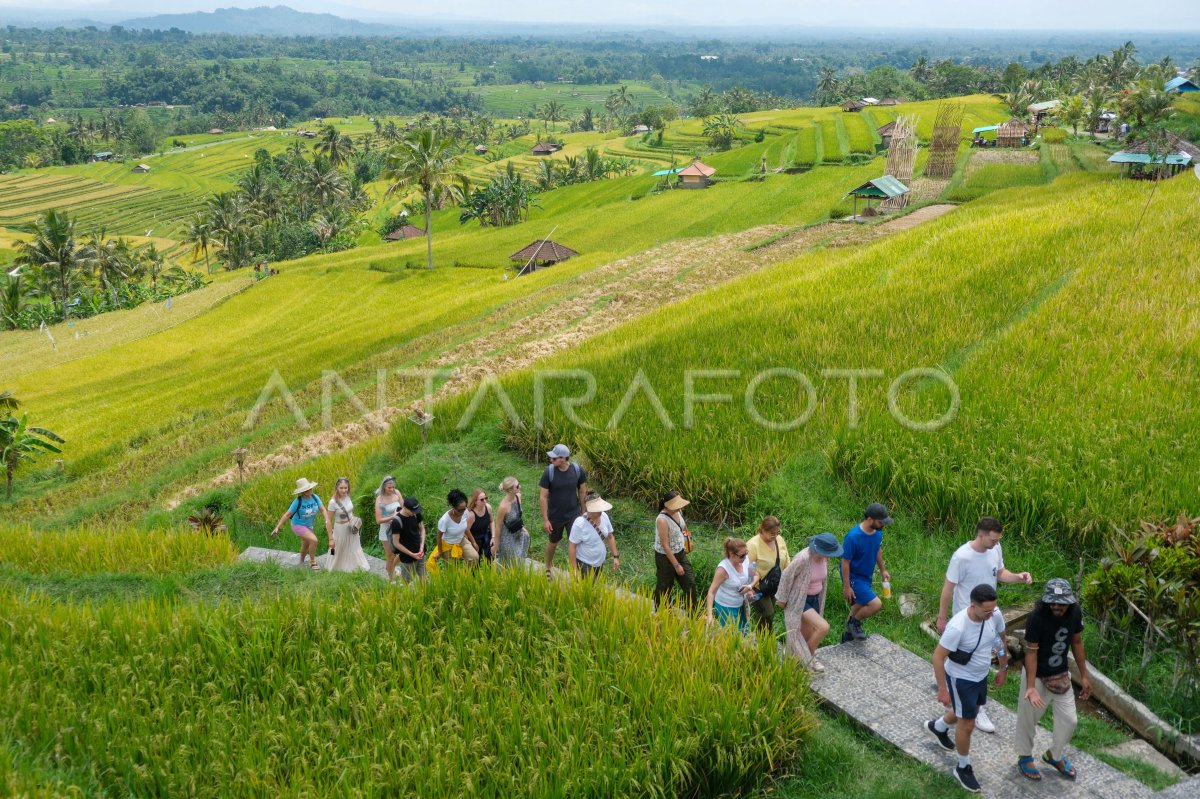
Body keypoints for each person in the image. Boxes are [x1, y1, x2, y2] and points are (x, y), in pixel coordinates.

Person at [936, 516, 1032, 734]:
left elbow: (1000, 574)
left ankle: (965, 701)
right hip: (966, 617)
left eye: (998, 540)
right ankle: (972, 708)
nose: (996, 544)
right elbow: (948, 589)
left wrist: (1018, 576)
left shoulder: (995, 550)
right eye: (993, 540)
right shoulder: (961, 556)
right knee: (968, 659)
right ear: (981, 535)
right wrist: (942, 617)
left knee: (988, 651)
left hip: (989, 614)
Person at [927, 584, 1008, 794]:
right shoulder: (957, 627)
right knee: (968, 723)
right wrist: (943, 690)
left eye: (994, 610)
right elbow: (937, 657)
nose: (992, 615)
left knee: (969, 709)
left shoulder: (993, 615)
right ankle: (963, 767)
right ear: (973, 605)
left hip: (980, 676)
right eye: (987, 611)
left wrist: (1003, 667)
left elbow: (998, 640)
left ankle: (939, 726)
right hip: (960, 678)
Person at [1015, 579, 1093, 782]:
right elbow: (1031, 651)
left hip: (1061, 674)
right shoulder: (1037, 617)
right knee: (1028, 718)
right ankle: (1024, 757)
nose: (1057, 606)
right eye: (1053, 602)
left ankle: (1053, 755)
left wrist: (1084, 676)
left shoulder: (1075, 612)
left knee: (1070, 720)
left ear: (1069, 602)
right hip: (1037, 675)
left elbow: (1076, 642)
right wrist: (1031, 687)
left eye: (1062, 603)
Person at [775, 532, 843, 673]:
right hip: (800, 600)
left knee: (807, 634)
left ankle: (794, 658)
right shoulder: (803, 558)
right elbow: (787, 576)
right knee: (823, 627)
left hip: (815, 598)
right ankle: (809, 657)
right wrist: (781, 599)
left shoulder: (825, 558)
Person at [840, 502, 892, 642]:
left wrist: (883, 570)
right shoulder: (853, 537)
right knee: (875, 604)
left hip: (866, 576)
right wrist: (847, 587)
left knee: (860, 604)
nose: (883, 525)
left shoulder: (878, 533)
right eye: (881, 522)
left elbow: (878, 552)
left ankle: (848, 636)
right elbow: (845, 562)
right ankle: (854, 624)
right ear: (870, 519)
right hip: (853, 577)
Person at [539, 443, 588, 578]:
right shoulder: (548, 472)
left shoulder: (577, 470)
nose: (551, 460)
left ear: (563, 458)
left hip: (573, 514)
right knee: (553, 543)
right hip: (555, 516)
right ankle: (547, 567)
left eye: (554, 458)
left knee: (576, 544)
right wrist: (546, 520)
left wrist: (583, 513)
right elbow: (543, 497)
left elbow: (583, 491)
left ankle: (576, 572)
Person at [745, 516, 791, 633]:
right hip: (758, 587)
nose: (775, 536)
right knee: (767, 613)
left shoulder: (779, 539)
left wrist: (789, 578)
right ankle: (764, 639)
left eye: (777, 532)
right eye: (771, 533)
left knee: (769, 614)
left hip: (775, 584)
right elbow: (749, 568)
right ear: (763, 530)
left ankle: (764, 636)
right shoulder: (753, 545)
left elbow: (786, 559)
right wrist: (750, 588)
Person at [653, 491, 696, 612]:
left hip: (680, 552)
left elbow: (684, 527)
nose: (680, 507)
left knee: (690, 582)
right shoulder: (662, 520)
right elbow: (665, 546)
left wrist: (689, 539)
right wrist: (676, 565)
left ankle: (693, 613)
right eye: (677, 505)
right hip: (664, 557)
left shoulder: (679, 512)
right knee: (665, 586)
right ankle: (662, 613)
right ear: (667, 506)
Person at [705, 537, 759, 631]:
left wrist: (750, 587)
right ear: (731, 554)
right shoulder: (723, 569)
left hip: (741, 605)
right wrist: (709, 615)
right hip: (725, 606)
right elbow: (711, 592)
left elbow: (756, 575)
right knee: (731, 636)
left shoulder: (745, 560)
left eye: (746, 553)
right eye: (742, 555)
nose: (745, 557)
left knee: (743, 632)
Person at [318, 477, 370, 573]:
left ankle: (355, 565)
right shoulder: (333, 502)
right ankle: (338, 567)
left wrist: (354, 522)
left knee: (353, 546)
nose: (343, 490)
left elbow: (350, 511)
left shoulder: (348, 497)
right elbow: (328, 521)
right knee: (340, 548)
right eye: (341, 488)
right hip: (340, 529)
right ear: (337, 488)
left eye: (345, 488)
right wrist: (330, 538)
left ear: (348, 488)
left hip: (351, 527)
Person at [271, 477, 325, 570]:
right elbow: (287, 515)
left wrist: (327, 520)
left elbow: (323, 509)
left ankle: (301, 563)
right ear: (302, 492)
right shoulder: (297, 502)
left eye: (310, 488)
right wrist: (277, 527)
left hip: (309, 525)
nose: (309, 490)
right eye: (306, 489)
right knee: (314, 540)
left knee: (306, 544)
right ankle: (313, 562)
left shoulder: (315, 497)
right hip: (298, 525)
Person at [567, 495, 619, 580]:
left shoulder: (604, 516)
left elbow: (610, 537)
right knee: (590, 587)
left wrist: (615, 557)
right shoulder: (580, 523)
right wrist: (575, 569)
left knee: (594, 586)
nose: (600, 511)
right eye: (597, 509)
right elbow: (572, 546)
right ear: (589, 509)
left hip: (599, 562)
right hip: (584, 563)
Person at [436, 489, 480, 566]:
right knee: (452, 570)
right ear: (453, 507)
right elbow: (439, 537)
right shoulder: (445, 520)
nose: (462, 512)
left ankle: (464, 575)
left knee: (474, 557)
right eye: (460, 510)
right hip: (448, 545)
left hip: (461, 540)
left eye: (464, 508)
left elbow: (465, 528)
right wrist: (440, 551)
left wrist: (473, 542)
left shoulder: (465, 512)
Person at [389, 496, 427, 585]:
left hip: (420, 553)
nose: (415, 513)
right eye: (413, 511)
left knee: (424, 580)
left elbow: (422, 529)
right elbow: (396, 543)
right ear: (405, 508)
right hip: (407, 557)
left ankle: (424, 597)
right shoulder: (397, 521)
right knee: (406, 582)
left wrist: (421, 545)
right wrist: (412, 554)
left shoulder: (416, 514)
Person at [495, 476, 530, 566]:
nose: (520, 487)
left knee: (525, 537)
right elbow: (498, 526)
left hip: (517, 530)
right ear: (510, 490)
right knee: (510, 562)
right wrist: (496, 544)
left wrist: (522, 528)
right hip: (507, 535)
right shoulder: (503, 507)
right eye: (517, 486)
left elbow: (517, 515)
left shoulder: (518, 497)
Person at [375, 476, 403, 581]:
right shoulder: (380, 499)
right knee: (390, 555)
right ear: (384, 487)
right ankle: (391, 578)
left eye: (393, 487)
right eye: (389, 488)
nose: (391, 490)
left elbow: (403, 507)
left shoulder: (397, 493)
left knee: (403, 552)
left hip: (399, 528)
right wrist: (393, 517)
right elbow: (378, 520)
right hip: (386, 530)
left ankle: (391, 567)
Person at [468, 488, 497, 563]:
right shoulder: (471, 515)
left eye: (485, 498)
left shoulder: (488, 507)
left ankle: (489, 572)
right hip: (475, 538)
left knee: (490, 556)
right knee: (475, 561)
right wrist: (473, 543)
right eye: (482, 499)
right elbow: (466, 531)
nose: (485, 501)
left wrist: (493, 536)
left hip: (486, 535)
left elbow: (491, 521)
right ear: (475, 502)